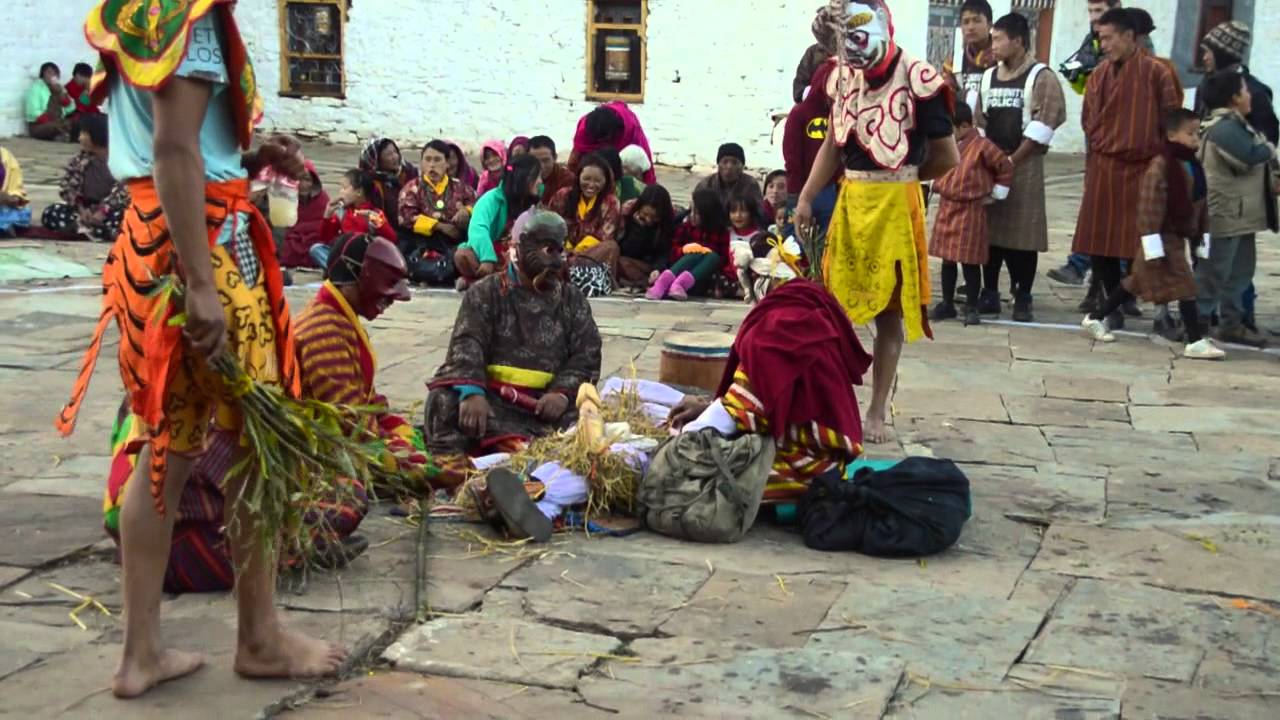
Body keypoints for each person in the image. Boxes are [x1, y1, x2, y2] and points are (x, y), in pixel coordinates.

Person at [56, 0, 345, 698]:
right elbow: (175, 150)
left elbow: (178, 139)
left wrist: (247, 159)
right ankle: (259, 635)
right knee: (254, 448)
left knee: (168, 446)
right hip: (206, 249)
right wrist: (202, 284)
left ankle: (141, 652)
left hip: (148, 247)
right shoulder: (193, 18)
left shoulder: (137, 11)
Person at [796, 0, 959, 444]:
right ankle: (829, 399)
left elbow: (948, 157)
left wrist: (901, 181)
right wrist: (808, 195)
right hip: (850, 200)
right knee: (833, 305)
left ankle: (877, 409)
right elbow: (834, 138)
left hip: (895, 204)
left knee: (888, 313)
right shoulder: (842, 75)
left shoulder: (920, 77)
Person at [104, 404, 370, 594]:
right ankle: (294, 554)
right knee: (341, 506)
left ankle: (296, 549)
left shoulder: (150, 386)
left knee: (346, 494)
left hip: (152, 540)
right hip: (183, 550)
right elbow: (246, 496)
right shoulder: (202, 404)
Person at [425, 211, 603, 488]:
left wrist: (562, 393)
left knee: (584, 419)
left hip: (542, 407)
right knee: (442, 400)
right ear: (520, 248)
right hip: (492, 399)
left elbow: (587, 353)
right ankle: (455, 468)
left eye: (560, 249)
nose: (555, 259)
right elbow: (467, 341)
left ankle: (529, 467)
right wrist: (472, 392)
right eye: (547, 249)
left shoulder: (572, 300)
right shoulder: (486, 292)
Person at [667, 280, 872, 503]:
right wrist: (708, 407)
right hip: (833, 465)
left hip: (806, 470)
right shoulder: (817, 328)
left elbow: (735, 413)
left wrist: (680, 439)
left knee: (703, 474)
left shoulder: (771, 340)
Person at [1069, 8, 1181, 329]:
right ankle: (1110, 304)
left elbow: (1171, 122)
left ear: (1130, 37)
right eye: (1099, 38)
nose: (1103, 45)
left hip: (1145, 167)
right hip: (1105, 167)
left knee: (1148, 243)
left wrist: (1166, 165)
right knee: (1100, 242)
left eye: (1108, 38)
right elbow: (1089, 121)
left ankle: (1162, 310)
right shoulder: (1099, 76)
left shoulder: (1157, 73)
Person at [1080, 109, 1223, 359]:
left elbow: (1201, 203)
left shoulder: (1192, 165)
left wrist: (1201, 234)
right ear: (1170, 134)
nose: (1195, 139)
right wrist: (1151, 243)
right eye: (1189, 133)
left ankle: (1095, 317)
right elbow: (1149, 206)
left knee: (1135, 282)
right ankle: (1195, 339)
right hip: (1163, 236)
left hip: (1179, 235)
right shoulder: (1161, 166)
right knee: (1186, 284)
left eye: (1197, 133)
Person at [296, 233, 434, 475]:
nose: (392, 300)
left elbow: (365, 401)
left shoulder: (339, 317)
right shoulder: (324, 331)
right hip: (320, 450)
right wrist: (409, 459)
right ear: (354, 275)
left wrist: (394, 430)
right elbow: (350, 423)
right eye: (387, 285)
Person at [975, 12, 1067, 322]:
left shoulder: (1042, 77)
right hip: (990, 164)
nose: (994, 45)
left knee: (1023, 236)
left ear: (1018, 41)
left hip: (1025, 166)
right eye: (993, 39)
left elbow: (1047, 120)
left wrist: (1012, 161)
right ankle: (989, 292)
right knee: (990, 233)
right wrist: (988, 158)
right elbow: (979, 121)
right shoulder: (988, 77)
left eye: (999, 39)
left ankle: (1023, 295)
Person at [1197, 20, 1278, 334]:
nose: (1203, 57)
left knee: (1238, 269)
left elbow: (1267, 138)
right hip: (1226, 203)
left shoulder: (1254, 93)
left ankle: (1236, 320)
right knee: (1217, 267)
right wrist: (1266, 150)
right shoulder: (1216, 97)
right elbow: (1257, 150)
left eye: (1207, 51)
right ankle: (1205, 319)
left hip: (1244, 202)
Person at [929, 102, 1013, 326]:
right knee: (947, 259)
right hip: (948, 205)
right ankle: (947, 303)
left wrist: (996, 194)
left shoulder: (983, 146)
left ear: (964, 126)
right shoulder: (948, 144)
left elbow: (1005, 167)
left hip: (971, 208)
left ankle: (972, 306)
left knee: (969, 260)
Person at [454, 153, 542, 289]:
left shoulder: (534, 203)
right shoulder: (490, 199)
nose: (540, 182)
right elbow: (478, 229)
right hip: (493, 255)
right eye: (537, 177)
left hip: (520, 256)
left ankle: (482, 283)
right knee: (463, 255)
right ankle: (493, 281)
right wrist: (487, 257)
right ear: (525, 179)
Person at [40, 113, 129, 242]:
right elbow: (68, 186)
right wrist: (81, 209)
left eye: (84, 134)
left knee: (123, 218)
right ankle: (91, 231)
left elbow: (123, 191)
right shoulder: (80, 160)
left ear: (98, 135)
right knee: (52, 212)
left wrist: (103, 211)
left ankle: (88, 231)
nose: (80, 138)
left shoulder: (120, 161)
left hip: (109, 211)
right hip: (84, 210)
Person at [397, 140, 477, 273]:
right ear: (421, 163)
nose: (432, 165)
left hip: (453, 244)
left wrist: (467, 212)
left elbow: (477, 205)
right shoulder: (411, 189)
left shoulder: (461, 188)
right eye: (427, 160)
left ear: (447, 164)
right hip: (421, 244)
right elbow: (407, 218)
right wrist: (440, 226)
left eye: (437, 160)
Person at [783, 58, 839, 243]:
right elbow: (792, 157)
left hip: (831, 190)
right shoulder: (799, 114)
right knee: (797, 244)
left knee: (825, 244)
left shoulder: (839, 116)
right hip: (802, 189)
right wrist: (795, 193)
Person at [647, 188, 732, 301]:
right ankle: (663, 282)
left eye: (696, 213)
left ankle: (681, 284)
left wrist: (705, 255)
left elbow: (724, 259)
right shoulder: (686, 227)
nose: (692, 215)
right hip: (679, 268)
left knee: (712, 256)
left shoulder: (721, 232)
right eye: (691, 211)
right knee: (695, 252)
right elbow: (671, 251)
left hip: (700, 278)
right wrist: (683, 250)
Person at [549, 152, 622, 277]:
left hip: (589, 254)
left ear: (606, 181)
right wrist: (564, 247)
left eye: (598, 180)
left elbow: (604, 236)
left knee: (611, 247)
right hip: (562, 250)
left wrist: (576, 252)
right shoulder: (563, 195)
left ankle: (568, 270)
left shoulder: (611, 202)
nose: (591, 185)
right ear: (578, 177)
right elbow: (551, 223)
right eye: (586, 179)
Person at [570, 102, 657, 184]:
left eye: (604, 140)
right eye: (598, 141)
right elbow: (573, 161)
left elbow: (645, 165)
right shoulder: (584, 129)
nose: (601, 144)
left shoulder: (630, 127)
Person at [617, 185, 676, 291]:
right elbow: (626, 250)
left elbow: (664, 252)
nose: (648, 220)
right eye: (644, 214)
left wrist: (657, 268)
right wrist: (639, 229)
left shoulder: (666, 224)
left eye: (654, 217)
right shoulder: (627, 215)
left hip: (650, 266)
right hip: (630, 260)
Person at [320, 169, 398, 247]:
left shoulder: (374, 213)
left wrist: (377, 221)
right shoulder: (342, 212)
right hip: (343, 254)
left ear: (359, 192)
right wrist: (327, 215)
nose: (341, 192)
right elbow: (327, 239)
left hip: (363, 256)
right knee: (317, 248)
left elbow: (392, 239)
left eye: (344, 188)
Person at [944, 0, 996, 113]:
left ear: (990, 25)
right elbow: (946, 98)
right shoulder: (954, 62)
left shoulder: (1002, 58)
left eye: (977, 21)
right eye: (966, 22)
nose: (970, 27)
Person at [359, 137, 418, 234]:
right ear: (377, 159)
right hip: (387, 232)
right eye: (388, 154)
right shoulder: (370, 183)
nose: (395, 157)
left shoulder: (409, 172)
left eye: (395, 152)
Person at [279, 160, 330, 268]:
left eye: (307, 180)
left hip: (312, 240)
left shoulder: (322, 198)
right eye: (299, 180)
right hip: (291, 241)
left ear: (314, 182)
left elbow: (325, 225)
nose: (303, 185)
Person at [695, 142, 764, 213]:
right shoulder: (706, 184)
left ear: (742, 166)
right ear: (718, 164)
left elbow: (759, 213)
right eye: (725, 162)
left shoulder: (751, 184)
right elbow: (695, 212)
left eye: (735, 162)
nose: (729, 166)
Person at [24, 62, 73, 141]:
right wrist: (54, 122)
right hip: (39, 125)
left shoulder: (59, 88)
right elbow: (33, 113)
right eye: (49, 72)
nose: (52, 75)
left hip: (58, 121)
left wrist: (61, 93)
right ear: (42, 75)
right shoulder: (36, 88)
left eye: (55, 73)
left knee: (74, 123)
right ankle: (61, 135)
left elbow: (70, 108)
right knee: (53, 127)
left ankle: (61, 135)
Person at [529, 135, 577, 204]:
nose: (541, 166)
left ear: (555, 157)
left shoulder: (567, 179)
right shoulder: (522, 178)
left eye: (545, 160)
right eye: (535, 161)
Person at [0, 146, 32, 237]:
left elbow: (16, 191)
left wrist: (13, 197)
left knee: (23, 213)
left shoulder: (6, 156)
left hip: (3, 208)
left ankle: (5, 227)